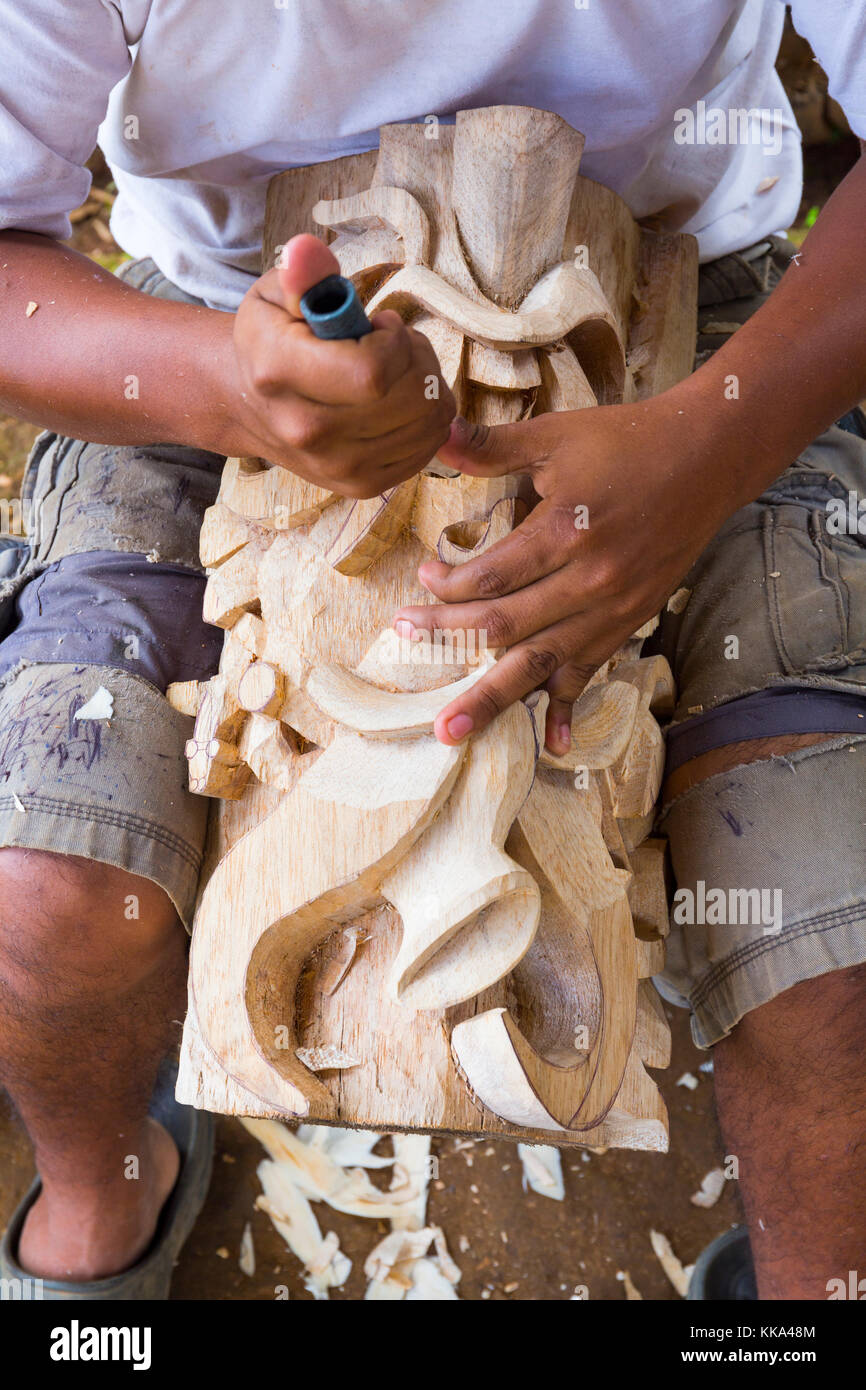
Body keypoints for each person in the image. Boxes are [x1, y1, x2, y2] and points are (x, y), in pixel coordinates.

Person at [0, 0, 864, 1300]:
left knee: (833, 964)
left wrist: (712, 444)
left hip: (709, 328)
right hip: (221, 317)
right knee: (46, 895)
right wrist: (223, 386)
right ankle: (96, 1196)